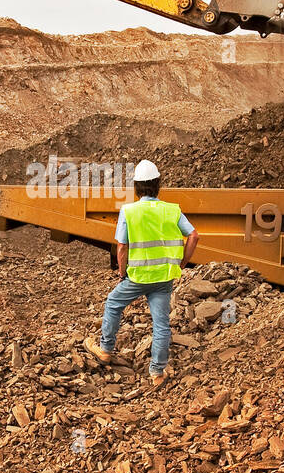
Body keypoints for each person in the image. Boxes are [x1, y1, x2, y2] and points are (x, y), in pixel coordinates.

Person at [84, 159, 198, 386]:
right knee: (161, 324)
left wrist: (121, 272)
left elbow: (122, 246)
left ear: (136, 187)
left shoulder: (129, 211)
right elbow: (194, 236)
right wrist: (183, 262)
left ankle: (105, 350)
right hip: (164, 277)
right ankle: (157, 373)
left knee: (113, 303)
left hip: (137, 277)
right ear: (158, 185)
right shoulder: (171, 210)